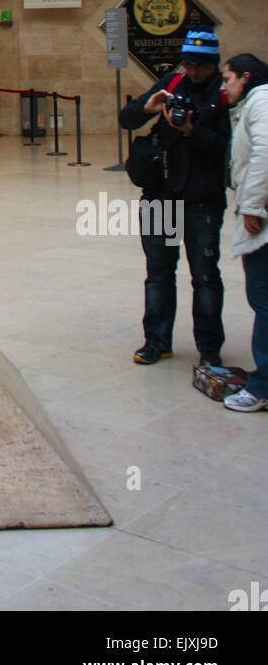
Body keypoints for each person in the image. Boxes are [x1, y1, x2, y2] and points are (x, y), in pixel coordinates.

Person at [119, 29, 230, 366]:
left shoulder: (224, 96)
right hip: (160, 195)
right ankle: (157, 341)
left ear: (213, 65)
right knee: (158, 272)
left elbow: (226, 149)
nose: (193, 71)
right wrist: (147, 108)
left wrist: (192, 131)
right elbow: (125, 120)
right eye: (188, 63)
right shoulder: (172, 82)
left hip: (202, 200)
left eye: (200, 66)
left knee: (206, 275)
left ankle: (209, 349)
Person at [221, 53, 268, 411]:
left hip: (262, 217)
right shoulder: (255, 103)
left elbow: (265, 154)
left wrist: (252, 205)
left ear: (246, 77)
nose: (224, 87)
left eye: (228, 79)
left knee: (263, 298)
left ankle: (263, 387)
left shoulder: (262, 102)